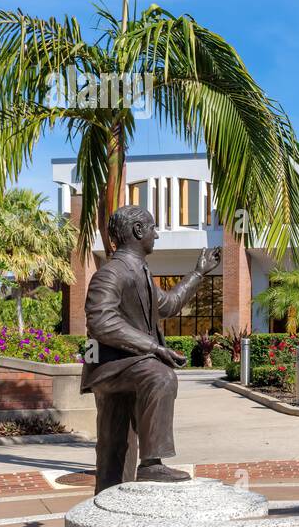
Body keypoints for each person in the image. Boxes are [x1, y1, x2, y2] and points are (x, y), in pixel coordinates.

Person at [81, 204, 221, 492]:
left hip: (127, 366)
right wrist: (154, 348)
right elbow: (100, 321)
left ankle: (105, 511)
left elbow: (168, 305)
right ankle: (151, 464)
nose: (156, 235)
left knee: (115, 446)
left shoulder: (140, 273)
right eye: (153, 228)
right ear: (138, 230)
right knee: (161, 376)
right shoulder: (112, 273)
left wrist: (198, 273)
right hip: (112, 367)